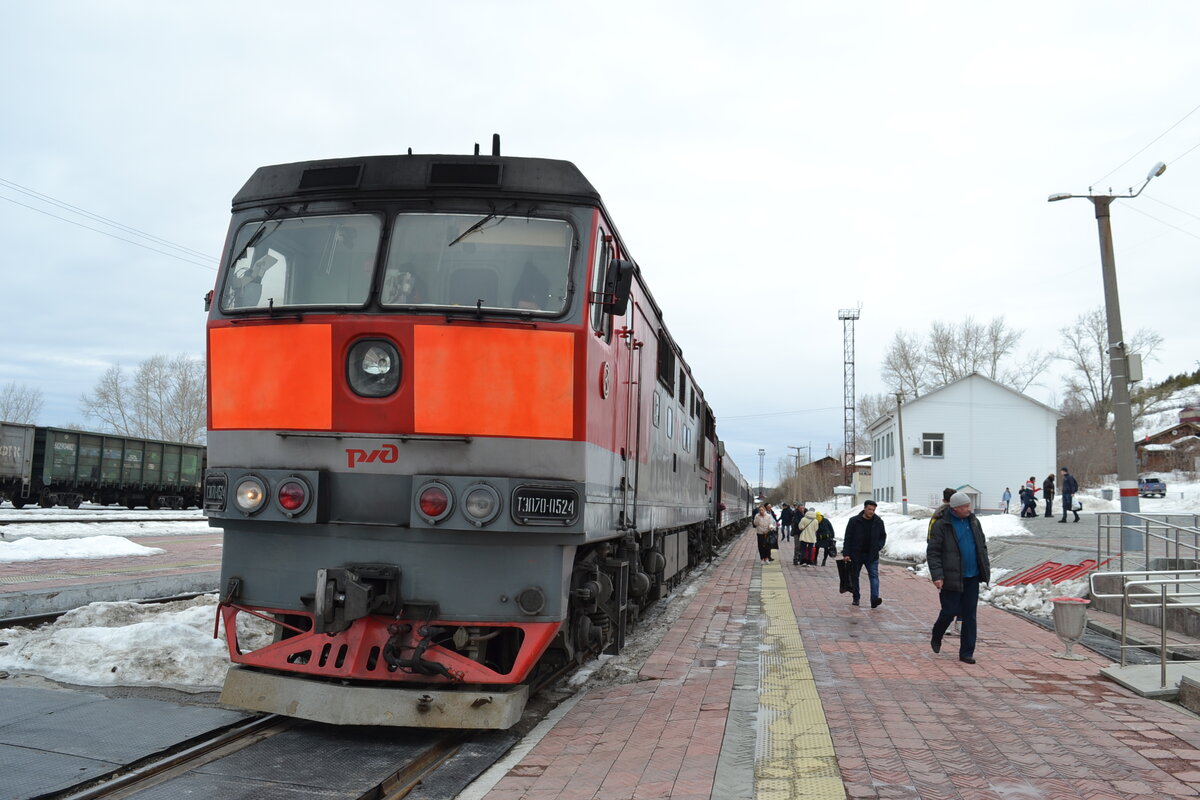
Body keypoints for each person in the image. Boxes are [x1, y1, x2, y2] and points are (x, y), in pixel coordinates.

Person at [928, 492, 991, 664]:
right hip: (951, 576)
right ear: (955, 508)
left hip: (972, 576)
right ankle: (937, 633)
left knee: (970, 615)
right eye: (964, 507)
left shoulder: (974, 522)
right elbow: (933, 552)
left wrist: (984, 567)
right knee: (949, 611)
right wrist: (937, 575)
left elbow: (981, 545)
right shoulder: (942, 525)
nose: (968, 509)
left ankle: (967, 652)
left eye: (968, 505)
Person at [842, 500, 887, 607]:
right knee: (854, 576)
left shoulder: (878, 522)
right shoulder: (854, 521)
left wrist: (878, 547)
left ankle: (874, 599)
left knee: (874, 577)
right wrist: (846, 553)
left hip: (872, 555)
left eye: (873, 510)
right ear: (864, 508)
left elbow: (883, 536)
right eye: (870, 509)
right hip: (856, 554)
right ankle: (856, 598)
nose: (871, 512)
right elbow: (848, 538)